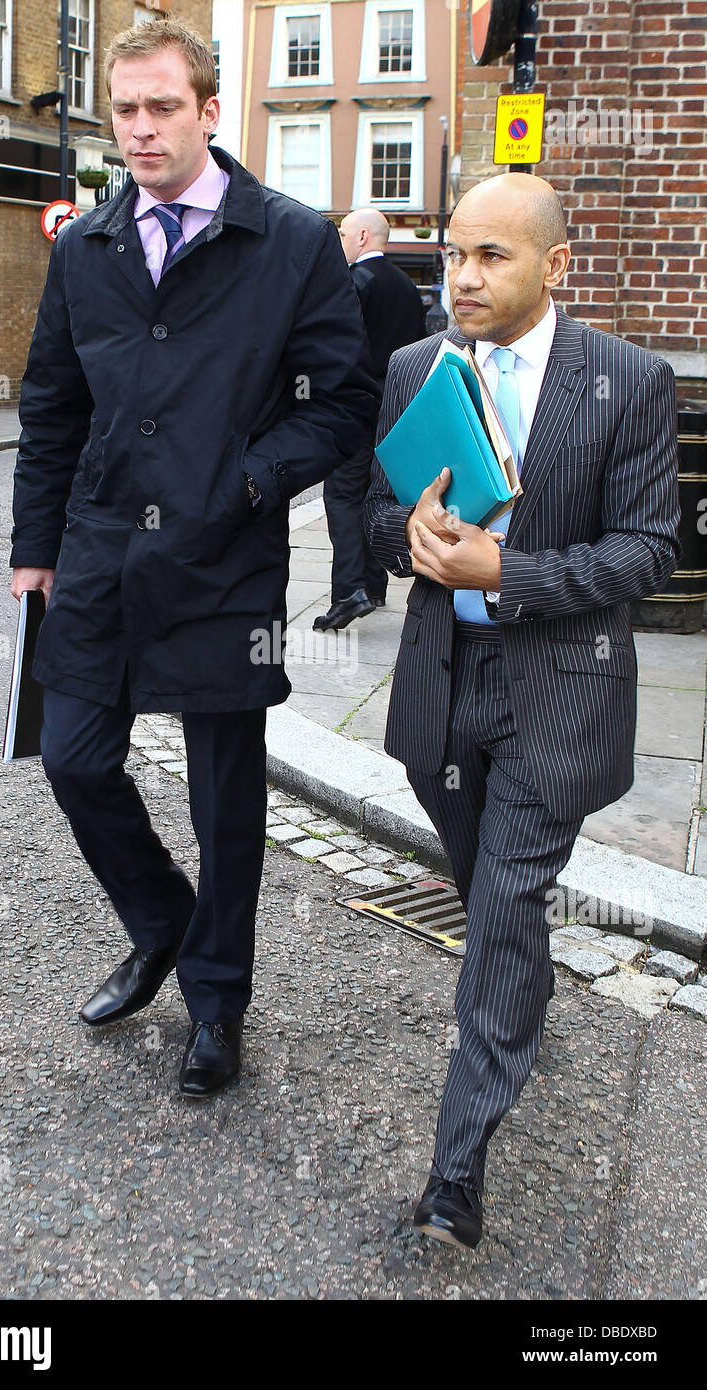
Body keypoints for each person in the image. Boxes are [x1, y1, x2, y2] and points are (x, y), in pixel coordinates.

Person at [9, 17, 379, 1098]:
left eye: (162, 105)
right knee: (75, 757)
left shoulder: (293, 241)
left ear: (209, 111)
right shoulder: (85, 246)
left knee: (226, 798)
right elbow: (50, 405)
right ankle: (162, 917)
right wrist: (36, 548)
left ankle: (217, 1001)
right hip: (101, 550)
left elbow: (342, 403)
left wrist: (252, 483)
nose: (140, 127)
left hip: (228, 560)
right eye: (124, 108)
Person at [365, 173, 680, 1248]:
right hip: (441, 688)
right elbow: (367, 513)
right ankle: (521, 998)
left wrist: (508, 569)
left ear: (555, 265)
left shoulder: (627, 380)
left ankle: (457, 1174)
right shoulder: (415, 366)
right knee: (486, 884)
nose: (462, 274)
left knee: (501, 903)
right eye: (454, 252)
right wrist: (403, 538)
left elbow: (650, 550)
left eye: (491, 255)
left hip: (561, 686)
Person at [312, 208, 426, 632]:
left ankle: (348, 592)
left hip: (354, 408)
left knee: (341, 497)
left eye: (343, 233)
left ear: (362, 237)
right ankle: (374, 586)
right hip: (395, 410)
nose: (340, 241)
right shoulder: (406, 287)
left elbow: (337, 347)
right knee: (377, 496)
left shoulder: (355, 282)